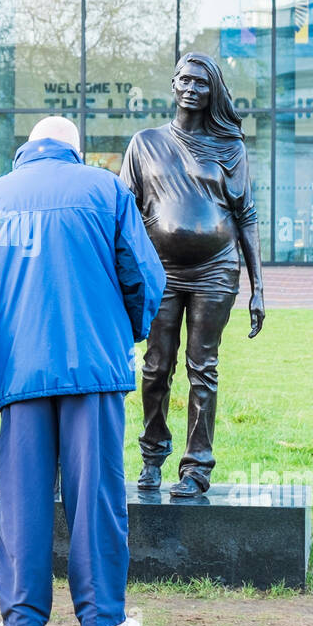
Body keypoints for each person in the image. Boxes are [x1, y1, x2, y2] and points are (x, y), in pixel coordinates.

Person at [0, 116, 165, 626]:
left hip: (22, 366)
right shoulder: (107, 190)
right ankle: (101, 620)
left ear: (29, 146)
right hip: (92, 364)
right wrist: (126, 331)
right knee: (96, 495)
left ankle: (22, 621)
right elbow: (144, 276)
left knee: (22, 496)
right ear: (75, 148)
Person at [120, 52, 265, 498]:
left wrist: (259, 288)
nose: (191, 88)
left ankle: (197, 467)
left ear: (212, 91)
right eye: (184, 79)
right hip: (160, 270)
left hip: (216, 268)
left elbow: (247, 217)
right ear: (173, 84)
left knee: (203, 368)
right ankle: (151, 457)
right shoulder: (144, 143)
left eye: (201, 83)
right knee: (155, 366)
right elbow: (124, 213)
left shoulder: (230, 148)